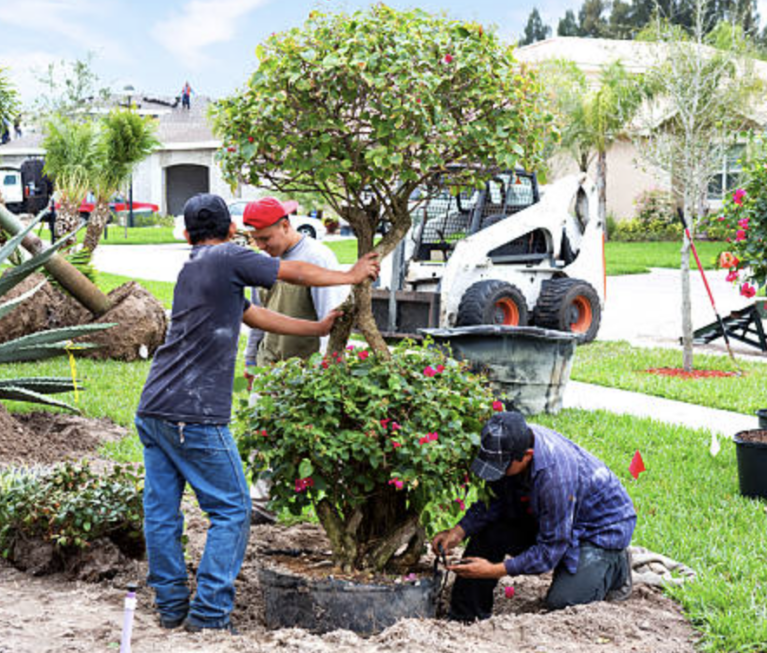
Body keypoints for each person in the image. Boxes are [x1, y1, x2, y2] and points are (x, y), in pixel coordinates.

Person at [134, 193, 380, 634]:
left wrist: (316, 329)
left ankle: (172, 607)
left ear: (189, 234)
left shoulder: (193, 266)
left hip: (154, 407)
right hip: (195, 413)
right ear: (232, 230)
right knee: (233, 508)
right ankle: (209, 615)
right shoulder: (227, 257)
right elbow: (296, 271)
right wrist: (350, 273)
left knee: (162, 512)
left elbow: (252, 314)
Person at [431, 411, 636, 622]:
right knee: (488, 531)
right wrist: (457, 532)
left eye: (501, 468)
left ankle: (616, 566)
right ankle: (466, 615)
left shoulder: (555, 479)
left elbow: (550, 551)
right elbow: (494, 500)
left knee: (562, 603)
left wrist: (493, 570)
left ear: (527, 455)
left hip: (599, 530)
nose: (495, 473)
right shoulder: (506, 447)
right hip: (556, 516)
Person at [241, 197, 347, 524]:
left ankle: (336, 505)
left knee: (316, 446)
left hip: (306, 371)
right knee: (262, 437)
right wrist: (250, 362)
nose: (261, 246)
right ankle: (261, 506)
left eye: (265, 239)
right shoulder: (264, 264)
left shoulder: (317, 259)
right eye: (254, 240)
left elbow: (333, 323)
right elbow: (258, 316)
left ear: (285, 226)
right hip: (270, 365)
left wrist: (328, 372)